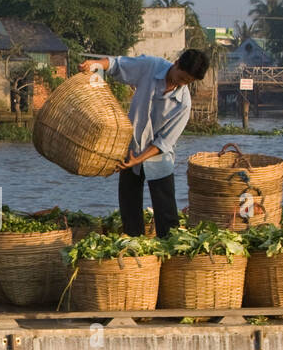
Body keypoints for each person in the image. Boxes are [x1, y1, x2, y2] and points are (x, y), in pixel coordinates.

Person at [80, 48, 210, 236]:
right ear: (176, 64)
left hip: (158, 157)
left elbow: (165, 142)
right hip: (131, 149)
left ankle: (169, 249)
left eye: (188, 82)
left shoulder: (184, 103)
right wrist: (95, 64)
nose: (182, 84)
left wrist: (140, 159)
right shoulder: (150, 66)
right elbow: (117, 64)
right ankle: (134, 245)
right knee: (129, 206)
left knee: (166, 212)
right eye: (181, 78)